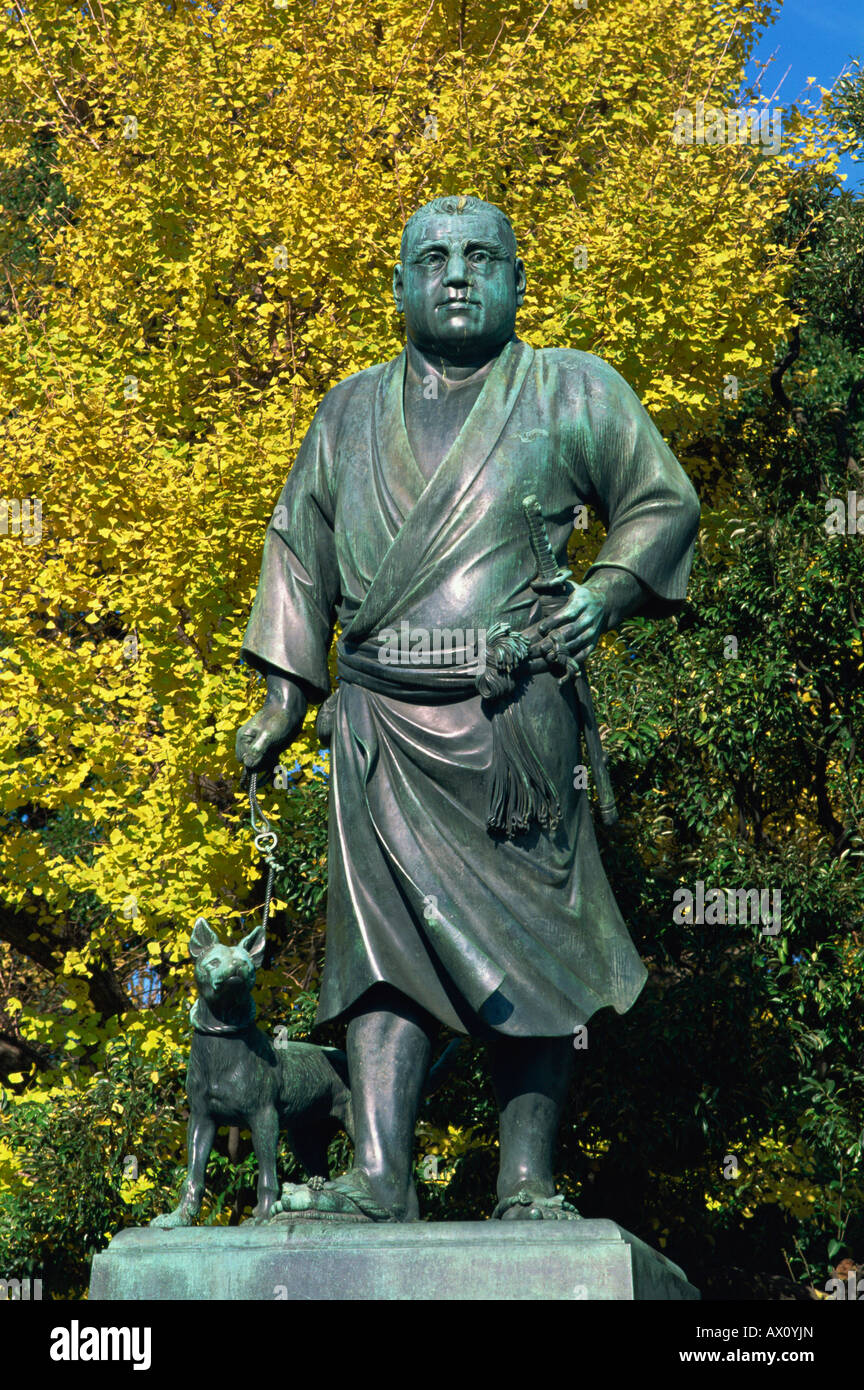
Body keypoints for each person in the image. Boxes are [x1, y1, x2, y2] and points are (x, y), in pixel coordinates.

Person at [235, 195, 700, 1222]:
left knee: (538, 945)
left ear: (519, 281)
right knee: (379, 948)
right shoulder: (347, 411)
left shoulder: (571, 388)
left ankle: (529, 1179)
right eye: (433, 258)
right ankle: (378, 1172)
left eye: (482, 257)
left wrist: (604, 592)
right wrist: (282, 696)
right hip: (379, 721)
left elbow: (663, 500)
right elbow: (296, 552)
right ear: (399, 287)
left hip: (514, 716)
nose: (457, 274)